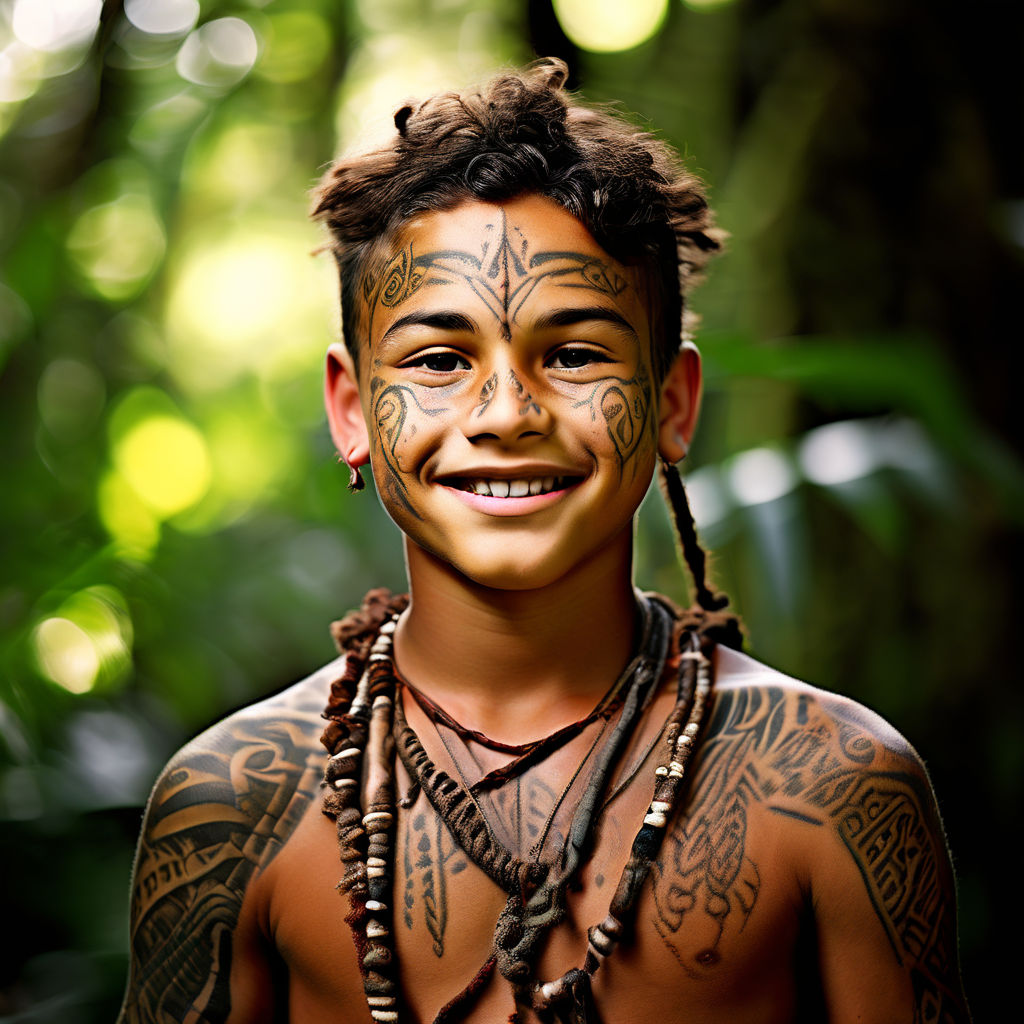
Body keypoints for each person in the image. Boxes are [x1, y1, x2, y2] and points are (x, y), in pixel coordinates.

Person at [118, 59, 970, 1024]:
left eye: (573, 354)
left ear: (673, 404)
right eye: (439, 360)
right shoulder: (234, 804)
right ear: (353, 410)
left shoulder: (832, 783)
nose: (507, 412)